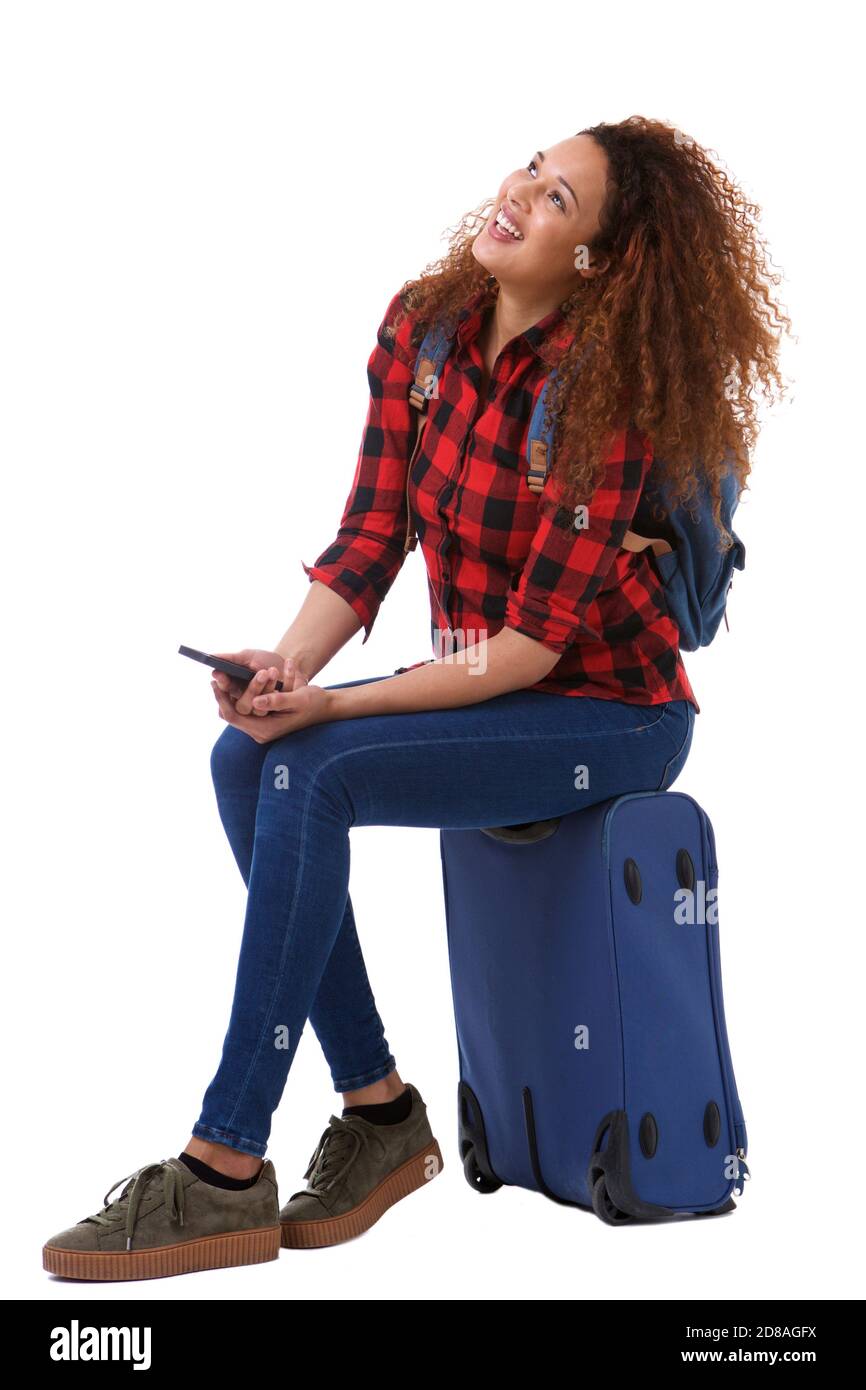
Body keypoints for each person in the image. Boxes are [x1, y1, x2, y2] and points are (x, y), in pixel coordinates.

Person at [43, 116, 790, 1281]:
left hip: (611, 716)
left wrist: (335, 710)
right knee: (250, 756)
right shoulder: (423, 329)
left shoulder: (610, 397)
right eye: (529, 171)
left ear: (597, 260)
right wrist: (291, 669)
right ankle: (380, 1114)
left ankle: (222, 1165)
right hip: (487, 684)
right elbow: (368, 539)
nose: (516, 195)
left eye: (557, 203)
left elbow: (532, 651)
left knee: (313, 764)